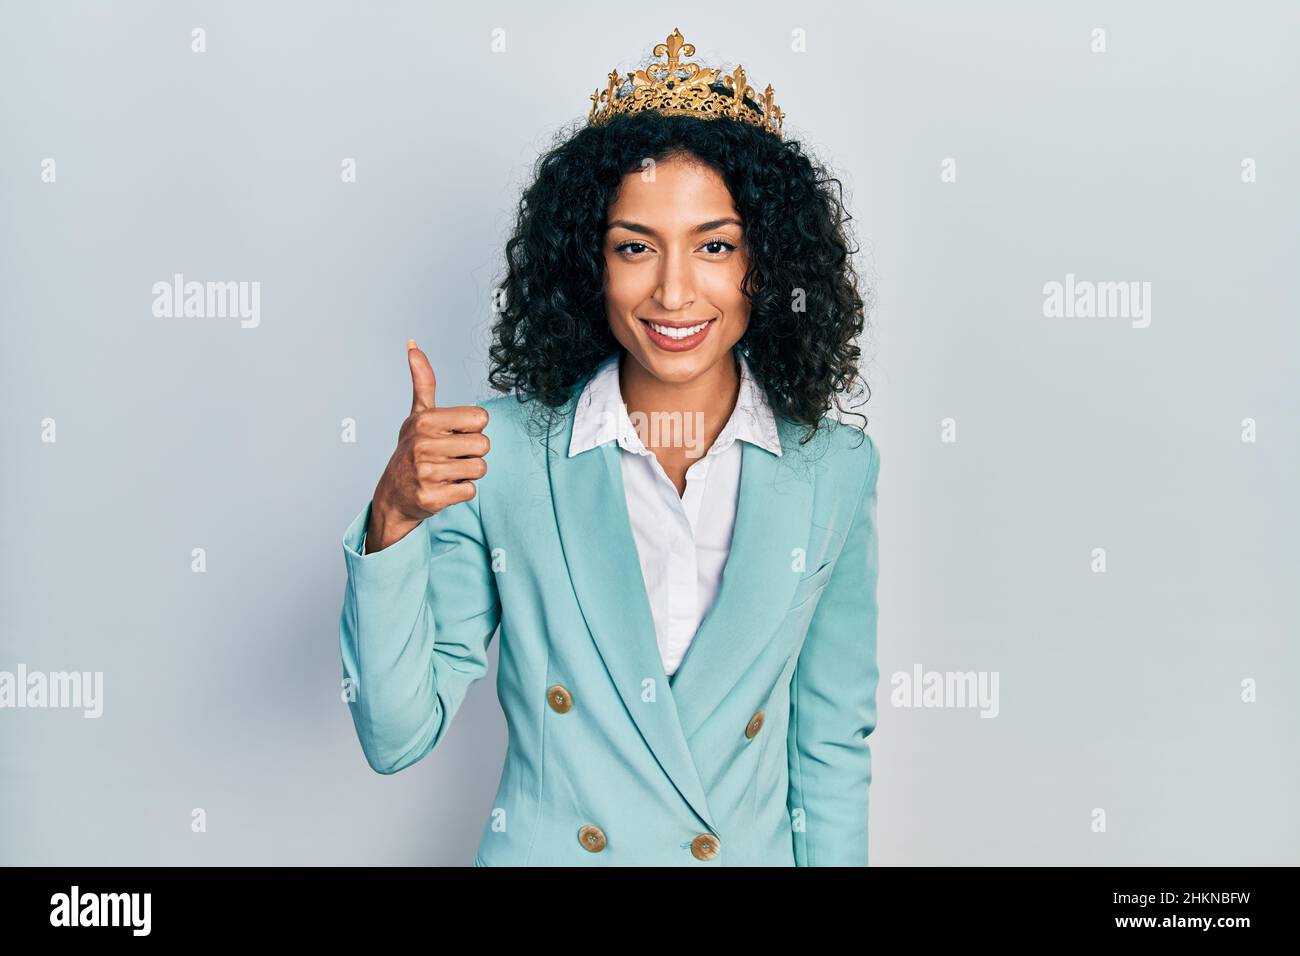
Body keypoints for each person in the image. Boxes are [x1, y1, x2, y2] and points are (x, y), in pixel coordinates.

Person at [339, 27, 881, 866]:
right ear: (587, 266)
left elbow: (830, 745)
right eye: (635, 246)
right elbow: (396, 734)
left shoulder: (836, 471)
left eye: (714, 245)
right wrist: (393, 520)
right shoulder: (503, 454)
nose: (672, 289)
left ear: (766, 264)